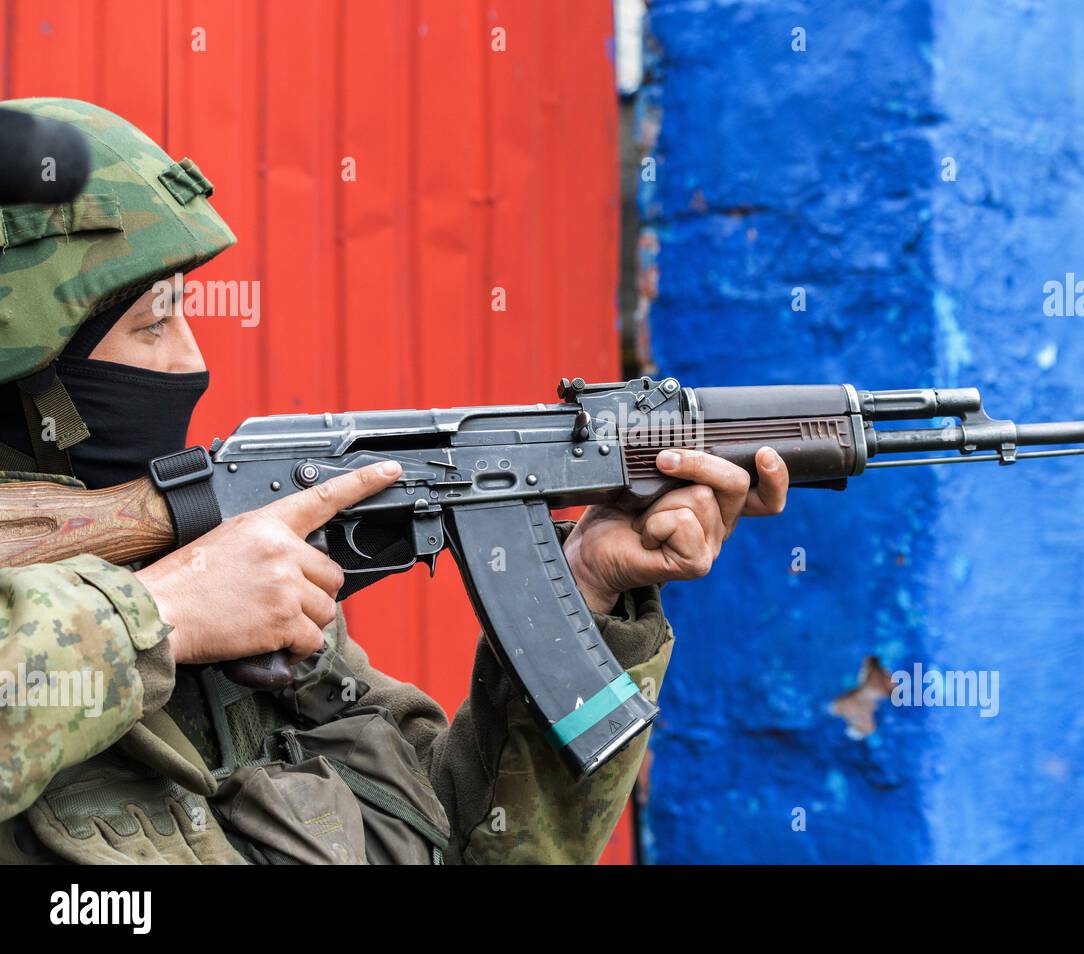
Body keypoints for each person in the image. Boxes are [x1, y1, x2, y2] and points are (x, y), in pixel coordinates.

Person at [0, 98, 789, 864]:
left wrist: (586, 585)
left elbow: (465, 843)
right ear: (32, 370)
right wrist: (166, 616)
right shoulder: (196, 592)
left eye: (187, 312)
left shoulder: (246, 588)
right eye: (153, 324)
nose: (193, 361)